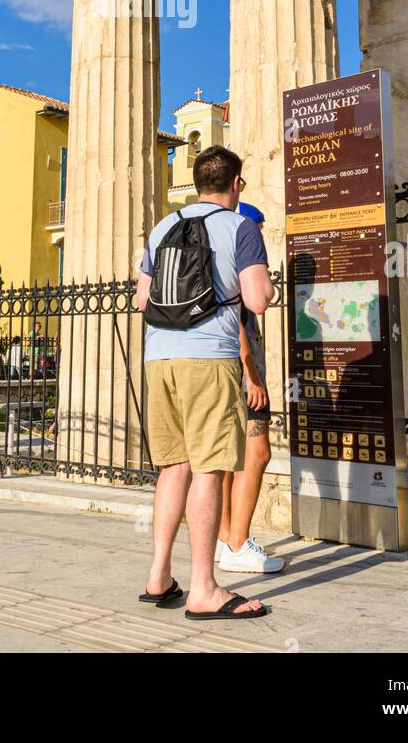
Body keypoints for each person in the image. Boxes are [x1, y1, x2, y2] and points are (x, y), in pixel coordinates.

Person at [136, 145, 276, 621]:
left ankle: (158, 577)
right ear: (236, 183)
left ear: (197, 182)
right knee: (210, 469)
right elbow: (256, 301)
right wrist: (264, 283)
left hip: (159, 357)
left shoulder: (161, 228)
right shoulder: (239, 228)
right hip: (209, 359)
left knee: (172, 467)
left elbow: (142, 299)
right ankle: (204, 590)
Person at [216, 201, 285, 574]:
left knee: (230, 458)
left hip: (219, 372)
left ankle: (225, 536)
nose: (261, 235)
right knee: (257, 454)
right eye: (259, 227)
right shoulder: (240, 258)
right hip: (242, 373)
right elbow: (238, 322)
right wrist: (252, 375)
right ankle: (238, 543)